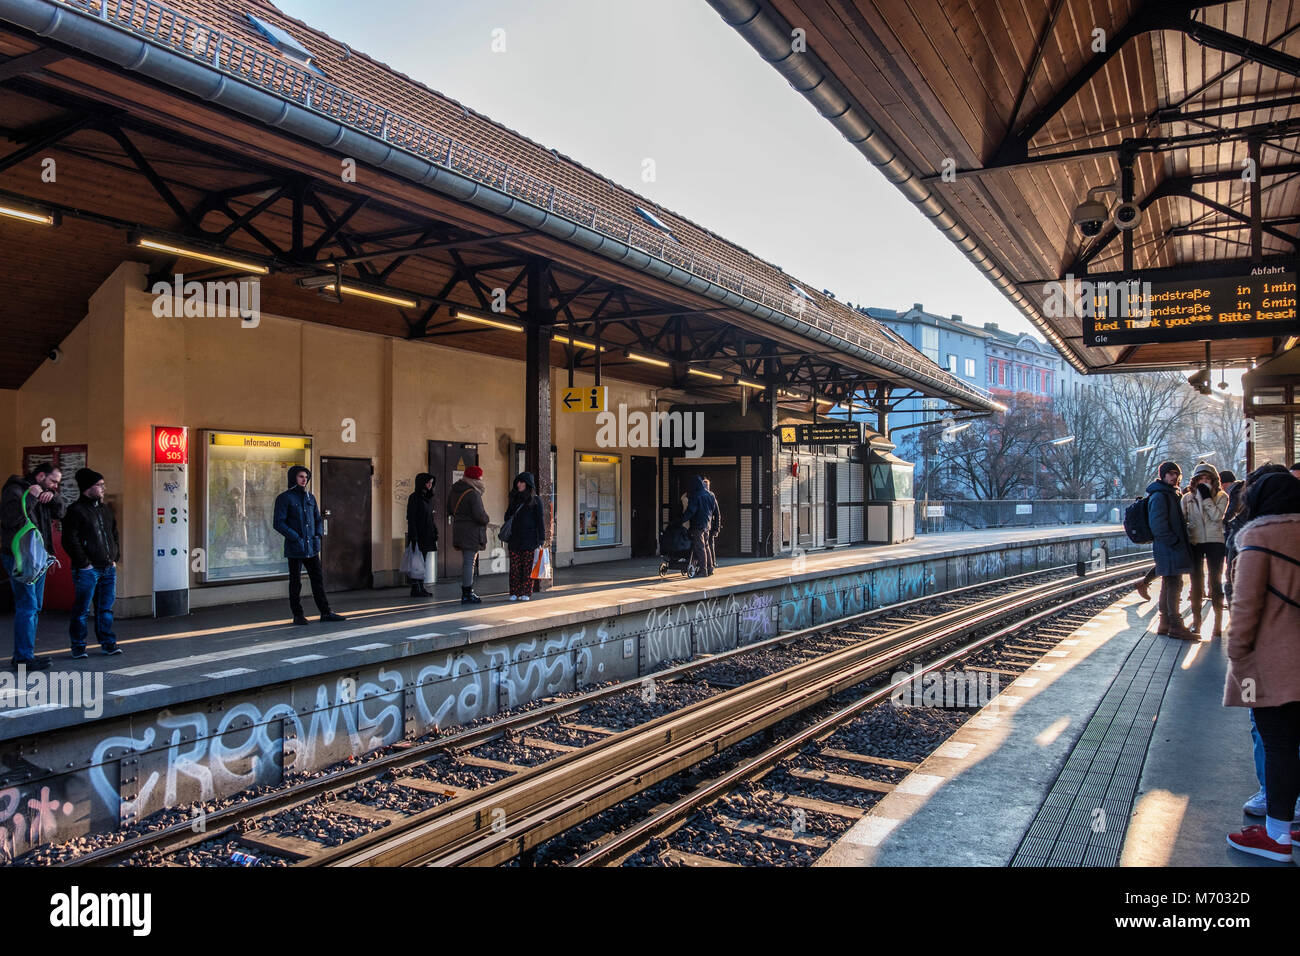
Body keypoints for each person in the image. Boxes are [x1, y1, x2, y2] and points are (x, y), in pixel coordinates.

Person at [1223, 470, 1300, 861]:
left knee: (1278, 744)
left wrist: (1237, 655)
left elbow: (1245, 607)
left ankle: (1277, 836)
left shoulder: (1258, 537)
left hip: (1274, 665)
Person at [1, 464, 64, 670]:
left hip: (38, 558)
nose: (55, 486)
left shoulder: (45, 493)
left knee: (34, 607)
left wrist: (53, 497)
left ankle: (25, 653)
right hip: (20, 556)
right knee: (27, 606)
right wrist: (32, 497)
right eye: (53, 481)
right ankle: (23, 658)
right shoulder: (14, 490)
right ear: (40, 475)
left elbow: (61, 512)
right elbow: (11, 519)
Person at [272, 465, 345, 625]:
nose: (304, 479)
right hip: (295, 548)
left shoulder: (310, 498)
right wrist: (296, 537)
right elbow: (278, 523)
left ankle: (326, 612)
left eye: (306, 477)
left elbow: (317, 519)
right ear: (293, 478)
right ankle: (298, 615)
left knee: (317, 580)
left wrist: (317, 536)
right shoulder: (284, 498)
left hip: (311, 547)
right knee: (295, 582)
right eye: (301, 476)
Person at [61, 469, 122, 658]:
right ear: (88, 488)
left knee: (105, 609)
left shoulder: (105, 510)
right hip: (87, 569)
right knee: (82, 609)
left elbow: (113, 534)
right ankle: (78, 646)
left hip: (107, 567)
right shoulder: (75, 511)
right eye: (99, 485)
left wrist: (115, 558)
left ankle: (108, 643)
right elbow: (69, 540)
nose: (104, 488)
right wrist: (84, 563)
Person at [1146, 461, 1195, 640]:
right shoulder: (1160, 496)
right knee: (1174, 584)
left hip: (1168, 547)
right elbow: (1157, 525)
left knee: (1169, 583)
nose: (1174, 477)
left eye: (1177, 474)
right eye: (1171, 473)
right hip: (1168, 547)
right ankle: (1175, 624)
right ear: (1163, 475)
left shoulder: (1170, 493)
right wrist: (1174, 541)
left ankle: (1164, 623)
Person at [1181, 462, 1229, 637]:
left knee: (1215, 582)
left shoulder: (1222, 496)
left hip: (1215, 541)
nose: (1204, 481)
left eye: (1207, 478)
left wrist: (1206, 498)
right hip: (1195, 541)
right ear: (1195, 480)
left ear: (1214, 480)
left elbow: (1217, 517)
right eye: (1200, 479)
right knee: (1196, 582)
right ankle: (1197, 621)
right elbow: (1183, 520)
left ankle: (1217, 623)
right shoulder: (1187, 498)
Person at [448, 465, 489, 604]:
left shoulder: (454, 490)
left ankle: (467, 591)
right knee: (469, 562)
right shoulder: (473, 493)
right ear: (476, 479)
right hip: (472, 533)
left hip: (459, 530)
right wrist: (486, 519)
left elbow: (449, 509)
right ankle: (467, 593)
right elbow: (480, 516)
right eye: (480, 478)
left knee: (467, 561)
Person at [503, 471, 546, 601]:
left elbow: (540, 520)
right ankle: (514, 592)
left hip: (530, 540)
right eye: (517, 482)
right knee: (515, 568)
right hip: (514, 539)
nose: (518, 484)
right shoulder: (514, 499)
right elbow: (506, 516)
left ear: (528, 484)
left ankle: (526, 592)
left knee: (527, 568)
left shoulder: (536, 500)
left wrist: (541, 539)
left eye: (521, 482)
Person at [405, 472, 438, 598]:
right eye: (427, 482)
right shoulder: (414, 498)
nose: (430, 485)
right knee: (417, 562)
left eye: (431, 483)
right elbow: (411, 518)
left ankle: (420, 586)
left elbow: (430, 517)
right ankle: (416, 587)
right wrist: (414, 535)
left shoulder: (427, 498)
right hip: (418, 534)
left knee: (422, 561)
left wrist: (435, 531)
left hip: (427, 534)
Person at [680, 475, 717, 578]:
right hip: (707, 524)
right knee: (706, 546)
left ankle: (703, 570)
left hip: (697, 524)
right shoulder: (710, 495)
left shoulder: (696, 496)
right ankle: (710, 568)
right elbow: (713, 509)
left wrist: (681, 520)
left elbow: (691, 511)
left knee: (700, 548)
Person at [702, 477, 721, 576]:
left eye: (706, 486)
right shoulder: (705, 496)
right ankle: (708, 565)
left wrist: (716, 528)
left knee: (709, 545)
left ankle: (712, 565)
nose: (705, 488)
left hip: (710, 526)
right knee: (707, 545)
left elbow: (717, 514)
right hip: (707, 525)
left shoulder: (711, 497)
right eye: (704, 486)